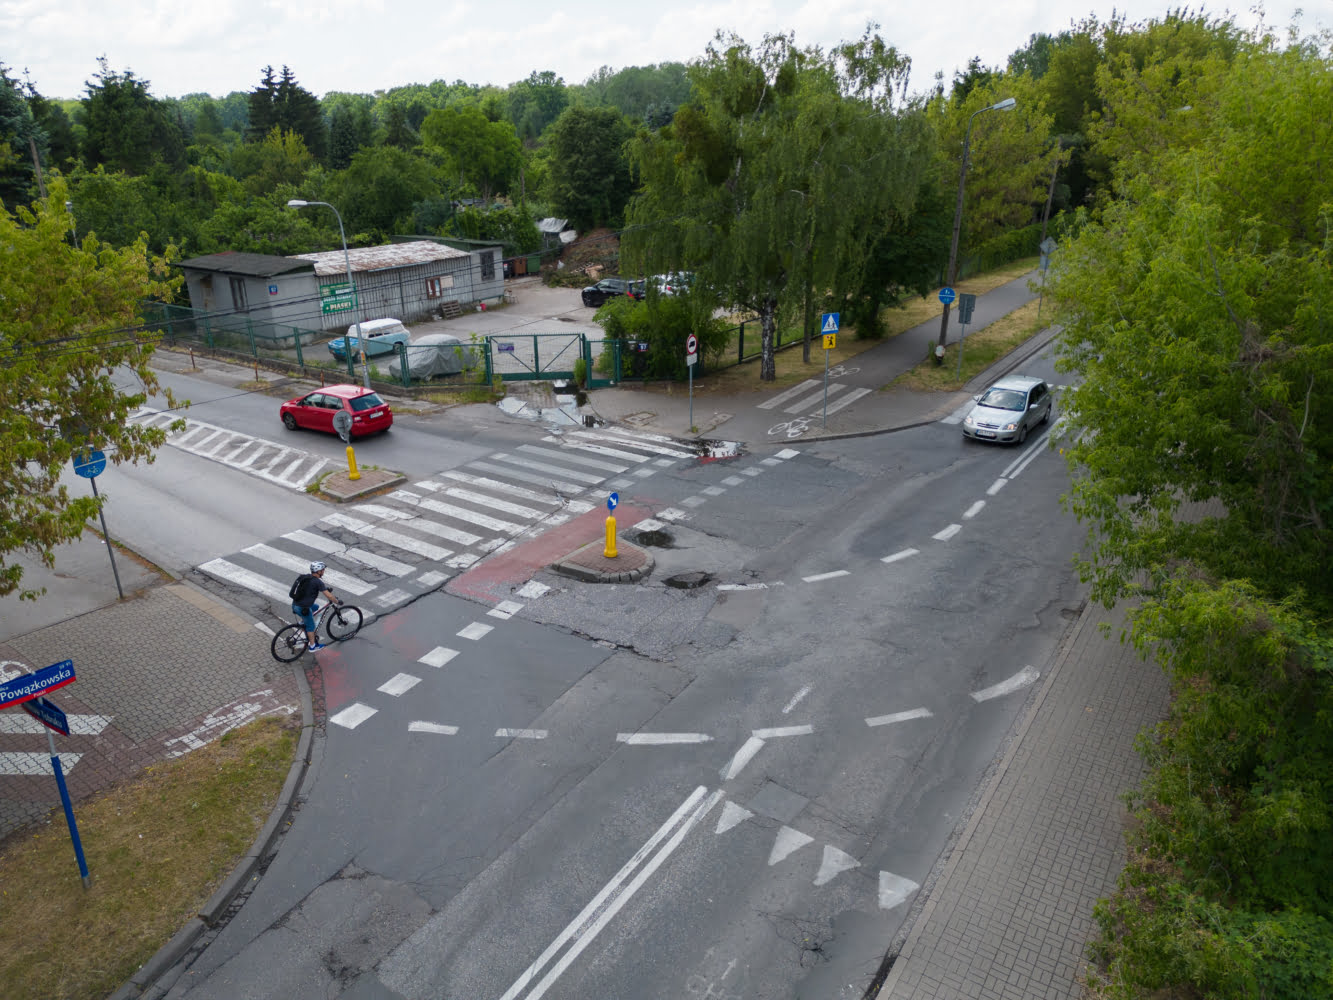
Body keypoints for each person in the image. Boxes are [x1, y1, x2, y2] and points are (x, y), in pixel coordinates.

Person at [290, 561, 338, 652]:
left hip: (295, 605)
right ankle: (312, 646)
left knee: (315, 607)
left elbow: (307, 588)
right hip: (303, 608)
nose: (323, 571)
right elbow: (329, 596)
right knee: (311, 627)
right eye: (322, 570)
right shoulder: (317, 582)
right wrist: (337, 601)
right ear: (318, 571)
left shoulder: (306, 577)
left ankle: (303, 622)